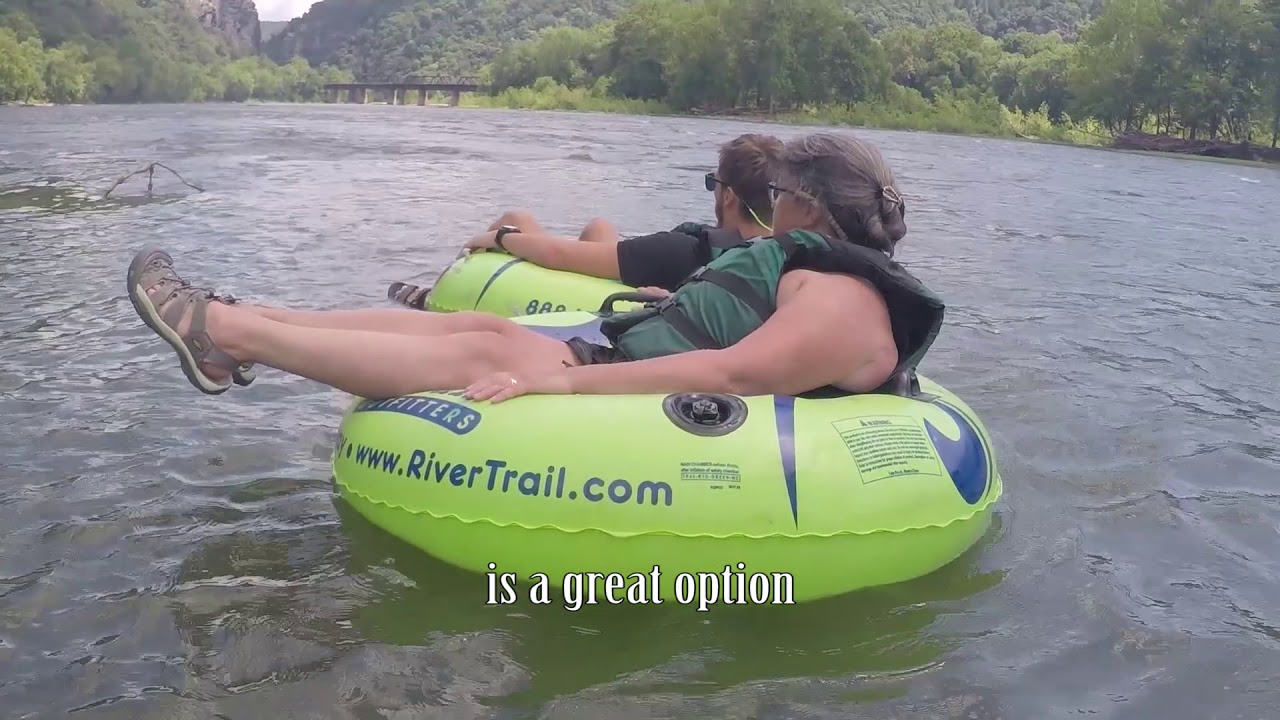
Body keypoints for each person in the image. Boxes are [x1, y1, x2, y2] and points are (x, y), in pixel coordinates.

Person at [124, 132, 944, 405]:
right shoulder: (816, 276)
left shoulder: (841, 300)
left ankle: (225, 332)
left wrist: (562, 383)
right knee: (474, 324)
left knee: (499, 353)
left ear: (803, 205)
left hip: (636, 391)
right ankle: (241, 317)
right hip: (628, 348)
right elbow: (745, 336)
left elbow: (734, 374)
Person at [387, 133, 782, 308]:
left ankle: (437, 297)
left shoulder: (685, 250)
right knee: (599, 227)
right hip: (661, 278)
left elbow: (558, 254)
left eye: (714, 183)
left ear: (728, 194)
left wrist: (503, 238)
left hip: (647, 286)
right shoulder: (782, 251)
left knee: (516, 217)